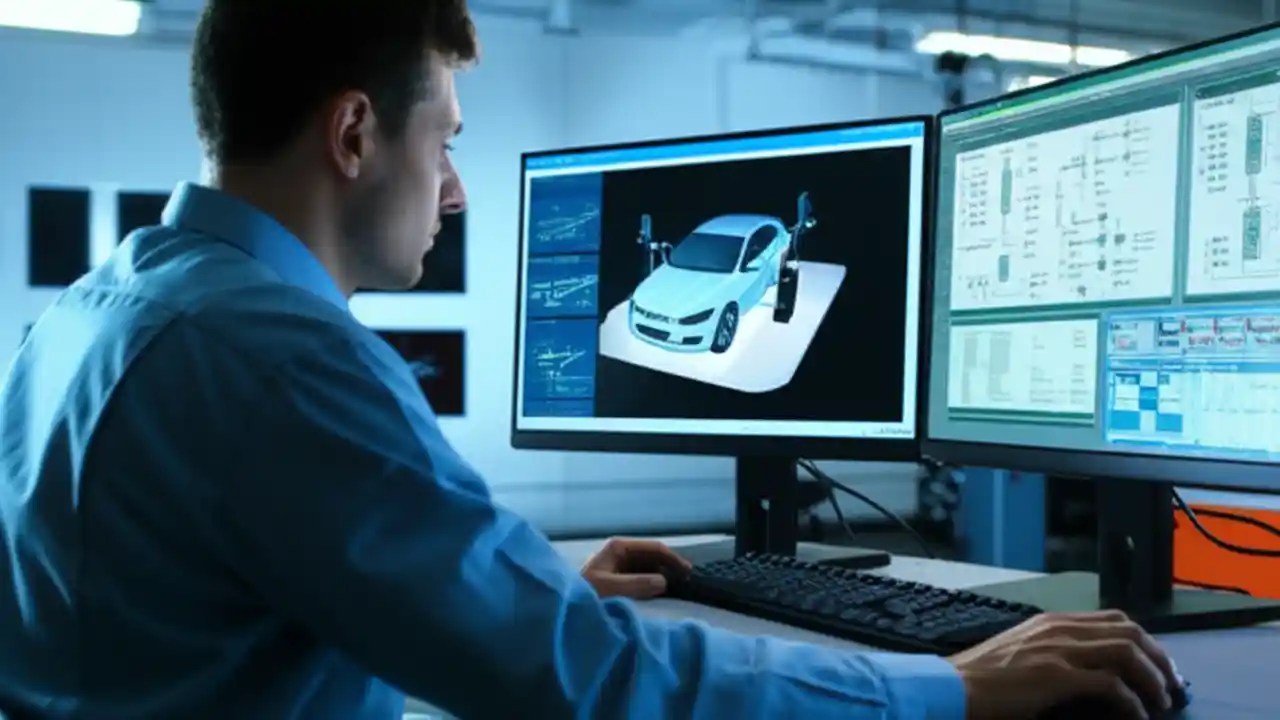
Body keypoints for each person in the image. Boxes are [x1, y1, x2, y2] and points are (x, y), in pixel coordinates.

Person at [0, 2, 1183, 719]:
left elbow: (240, 587)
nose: (455, 190)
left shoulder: (94, 314)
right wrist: (956, 690)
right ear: (355, 133)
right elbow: (581, 688)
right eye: (444, 142)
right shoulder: (275, 354)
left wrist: (524, 591)